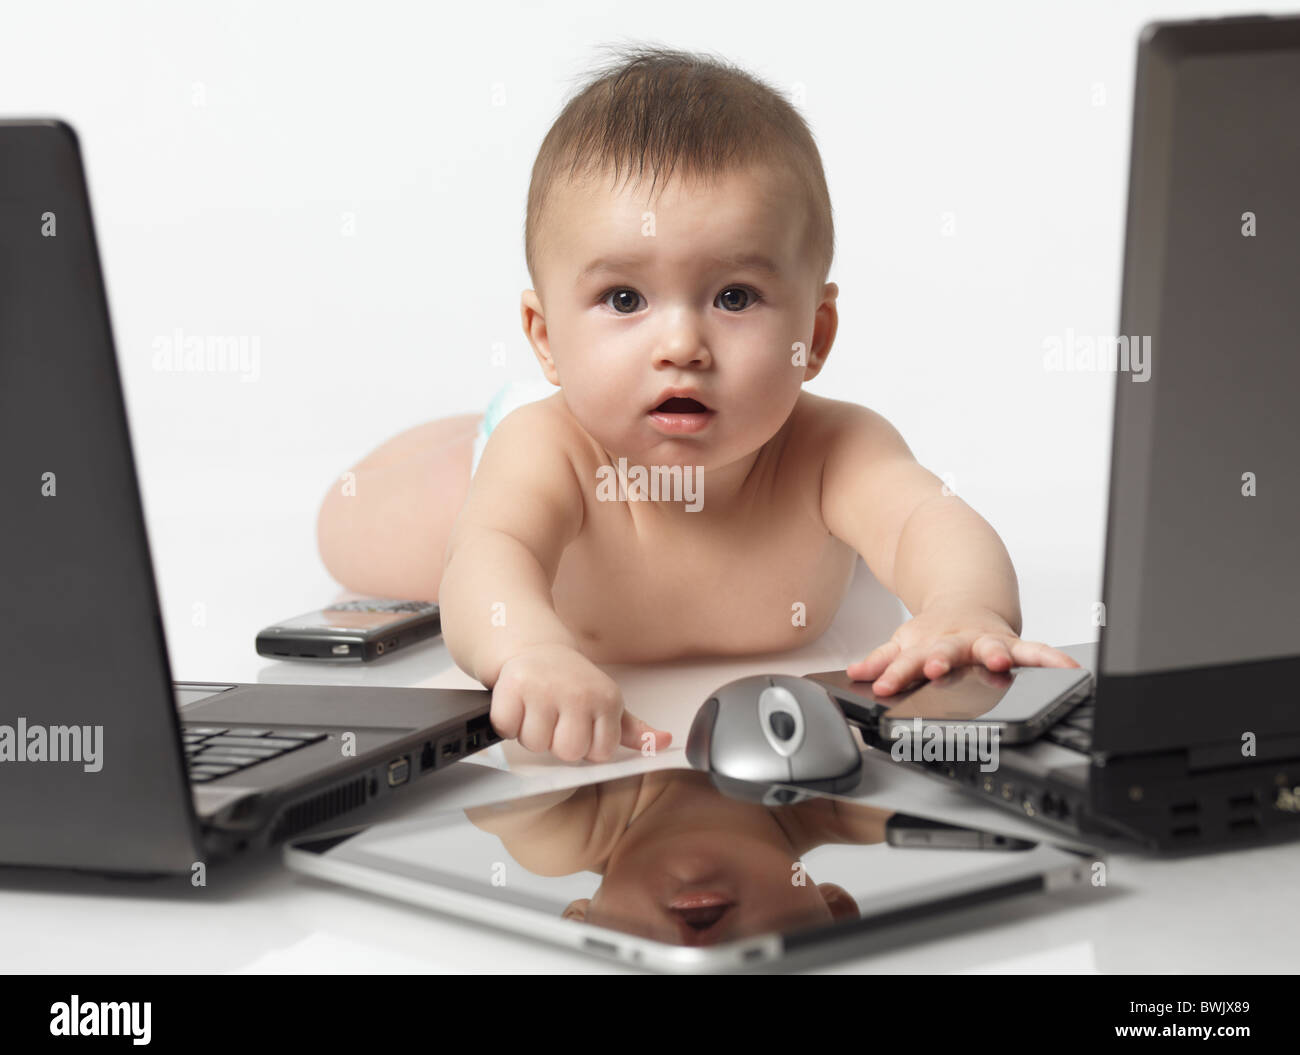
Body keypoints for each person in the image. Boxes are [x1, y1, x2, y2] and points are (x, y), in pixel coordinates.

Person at [316, 45, 1079, 765]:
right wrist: (528, 649)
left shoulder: (833, 448)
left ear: (814, 335)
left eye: (734, 297)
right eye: (625, 298)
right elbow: (491, 557)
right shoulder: (545, 449)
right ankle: (467, 437)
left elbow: (928, 521)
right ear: (545, 337)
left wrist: (963, 607)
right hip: (528, 439)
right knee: (353, 530)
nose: (681, 345)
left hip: (603, 408)